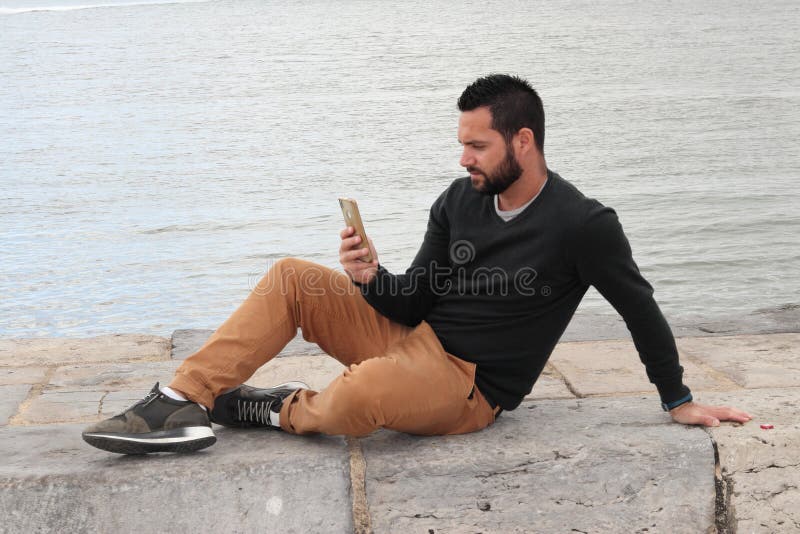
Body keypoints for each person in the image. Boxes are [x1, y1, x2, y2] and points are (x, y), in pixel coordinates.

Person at [82, 74, 751, 455]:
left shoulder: (584, 225)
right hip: (414, 340)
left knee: (361, 394)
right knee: (292, 275)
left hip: (467, 388)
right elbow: (412, 303)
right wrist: (370, 279)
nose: (464, 159)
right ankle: (178, 400)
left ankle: (274, 409)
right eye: (461, 144)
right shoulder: (460, 199)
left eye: (478, 146)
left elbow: (640, 307)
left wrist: (679, 400)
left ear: (523, 141)